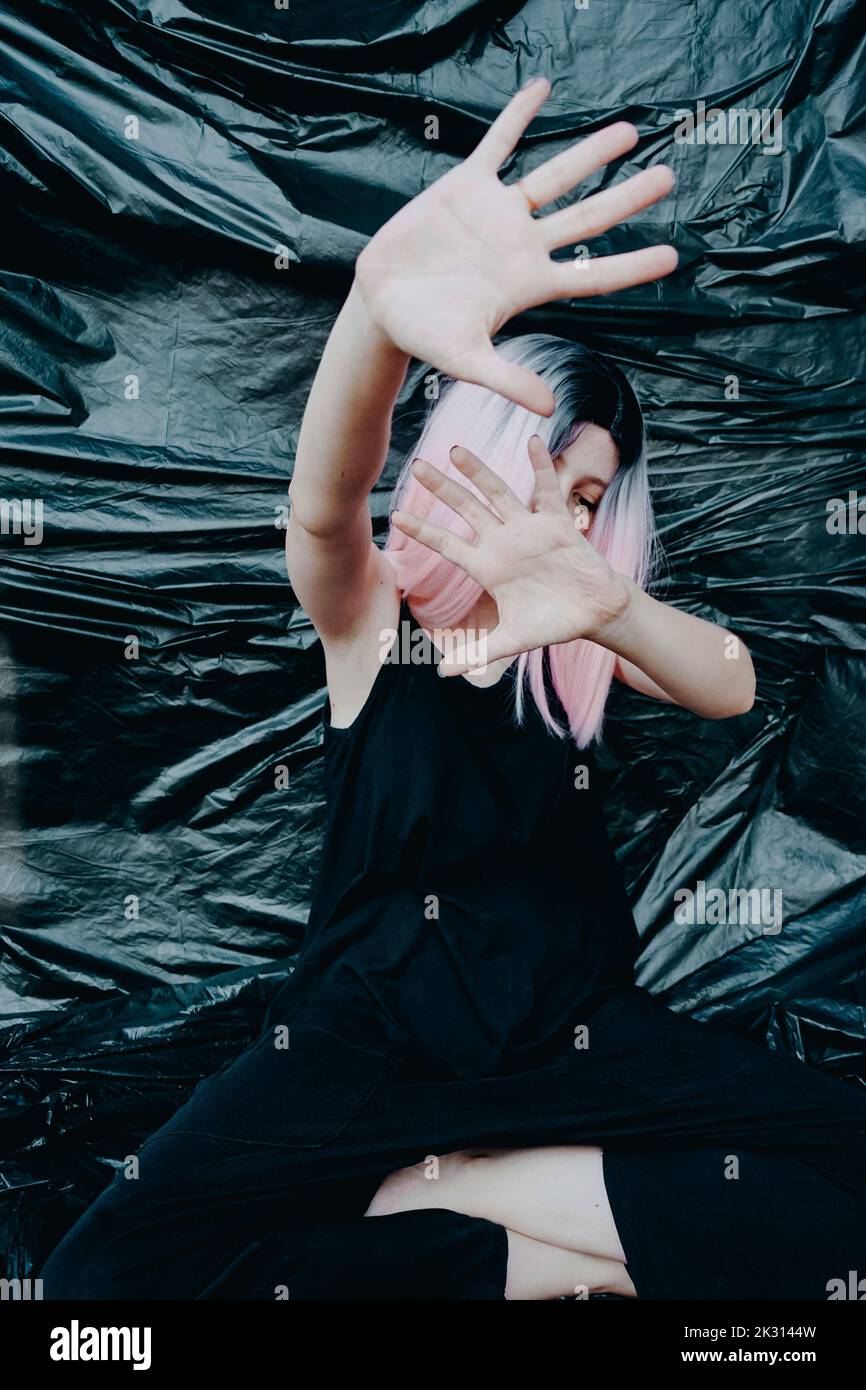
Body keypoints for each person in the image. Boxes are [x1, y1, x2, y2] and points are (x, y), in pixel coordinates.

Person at [41, 78, 866, 1302]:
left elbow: (732, 686)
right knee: (97, 1292)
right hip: (369, 1036)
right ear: (475, 447)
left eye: (587, 503)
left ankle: (467, 1186)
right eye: (544, 479)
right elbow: (326, 501)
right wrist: (374, 316)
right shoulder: (369, 616)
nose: (559, 519)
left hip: (564, 1034)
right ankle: (507, 1249)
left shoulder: (581, 633)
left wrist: (611, 603)